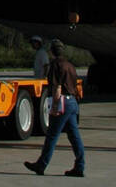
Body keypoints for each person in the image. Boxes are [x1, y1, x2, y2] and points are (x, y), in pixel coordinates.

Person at [24, 38, 85, 176]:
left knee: (52, 135)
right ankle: (80, 166)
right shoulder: (70, 66)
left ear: (52, 52)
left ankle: (41, 165)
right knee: (74, 136)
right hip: (73, 102)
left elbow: (57, 87)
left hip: (62, 102)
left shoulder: (56, 66)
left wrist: (54, 107)